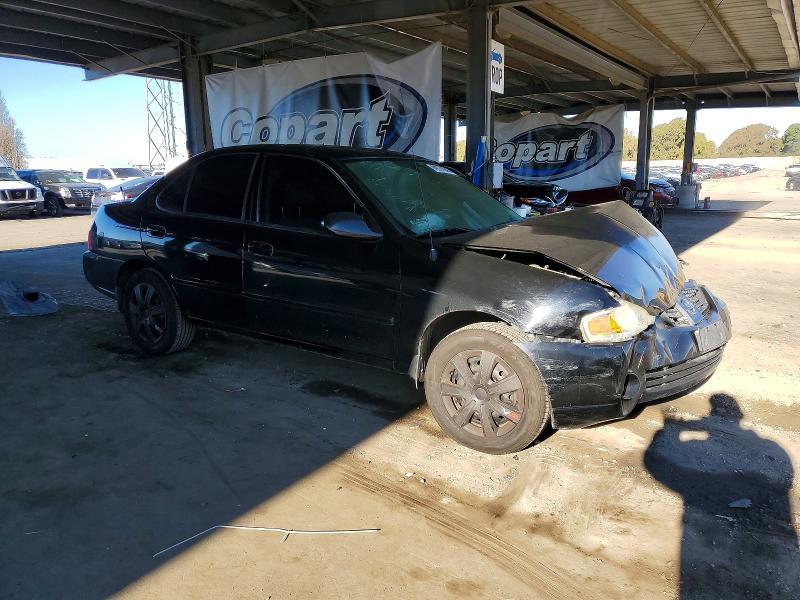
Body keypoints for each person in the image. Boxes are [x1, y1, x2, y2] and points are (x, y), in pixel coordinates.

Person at [644, 394, 798, 598]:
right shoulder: (774, 450)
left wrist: (668, 431)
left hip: (708, 539)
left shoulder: (701, 450)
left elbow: (654, 462)